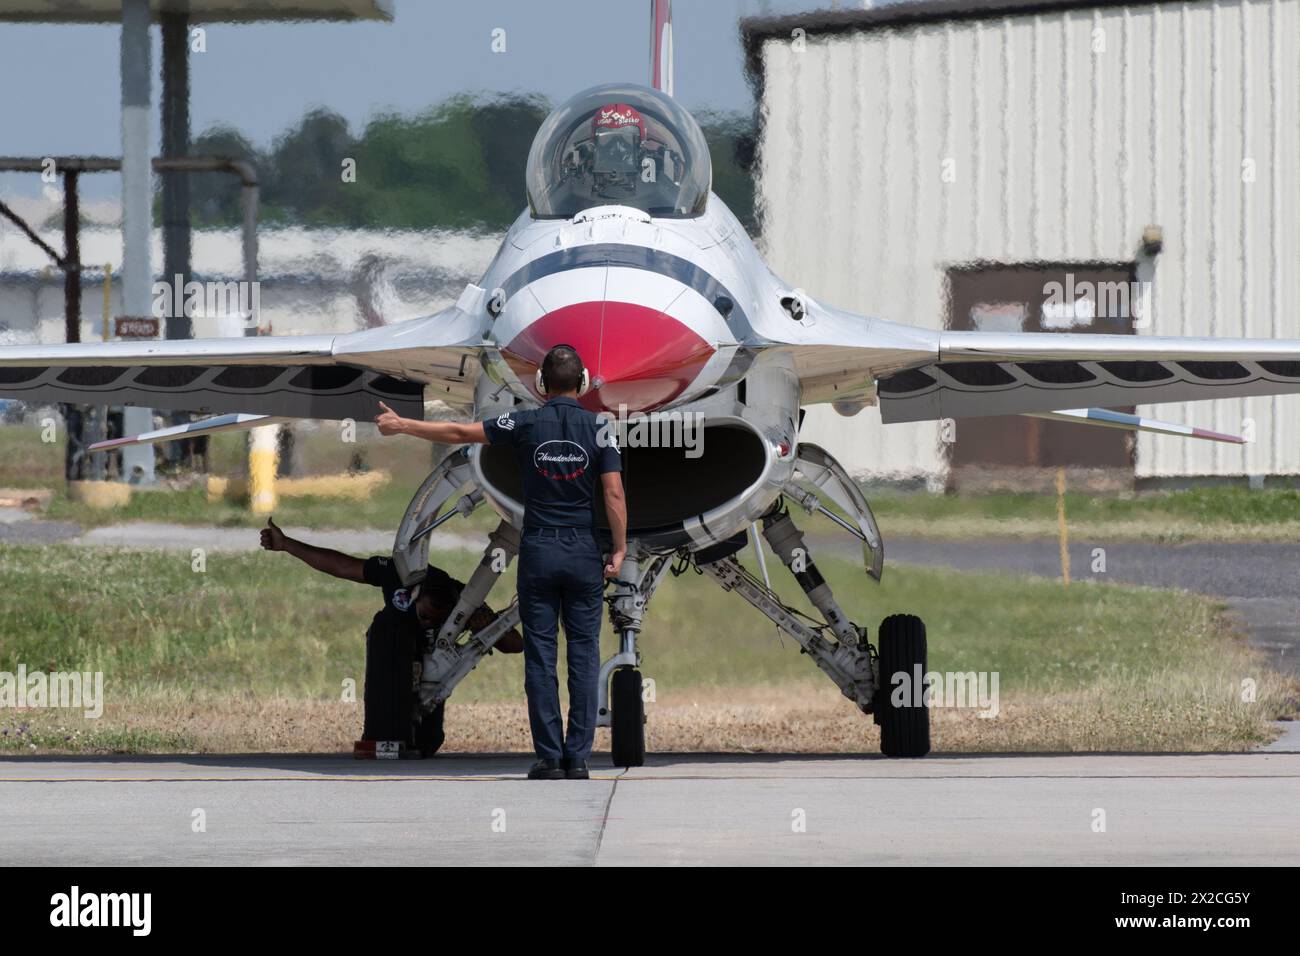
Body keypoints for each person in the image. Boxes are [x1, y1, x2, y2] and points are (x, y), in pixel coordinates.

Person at [374, 344, 627, 780]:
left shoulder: (524, 423)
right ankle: (578, 758)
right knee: (584, 656)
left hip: (540, 552)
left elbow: (459, 433)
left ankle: (549, 758)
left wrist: (403, 425)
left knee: (541, 658)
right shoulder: (602, 428)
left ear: (542, 385)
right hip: (584, 552)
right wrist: (619, 549)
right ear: (583, 383)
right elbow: (614, 494)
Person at [259, 517, 522, 754]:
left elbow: (514, 645)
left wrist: (490, 622)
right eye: (425, 616)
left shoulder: (464, 602)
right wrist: (287, 545)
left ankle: (417, 731)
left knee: (427, 741)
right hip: (392, 656)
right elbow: (341, 566)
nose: (428, 623)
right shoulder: (399, 575)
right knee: (388, 625)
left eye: (436, 620)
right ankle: (383, 730)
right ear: (415, 595)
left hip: (428, 676)